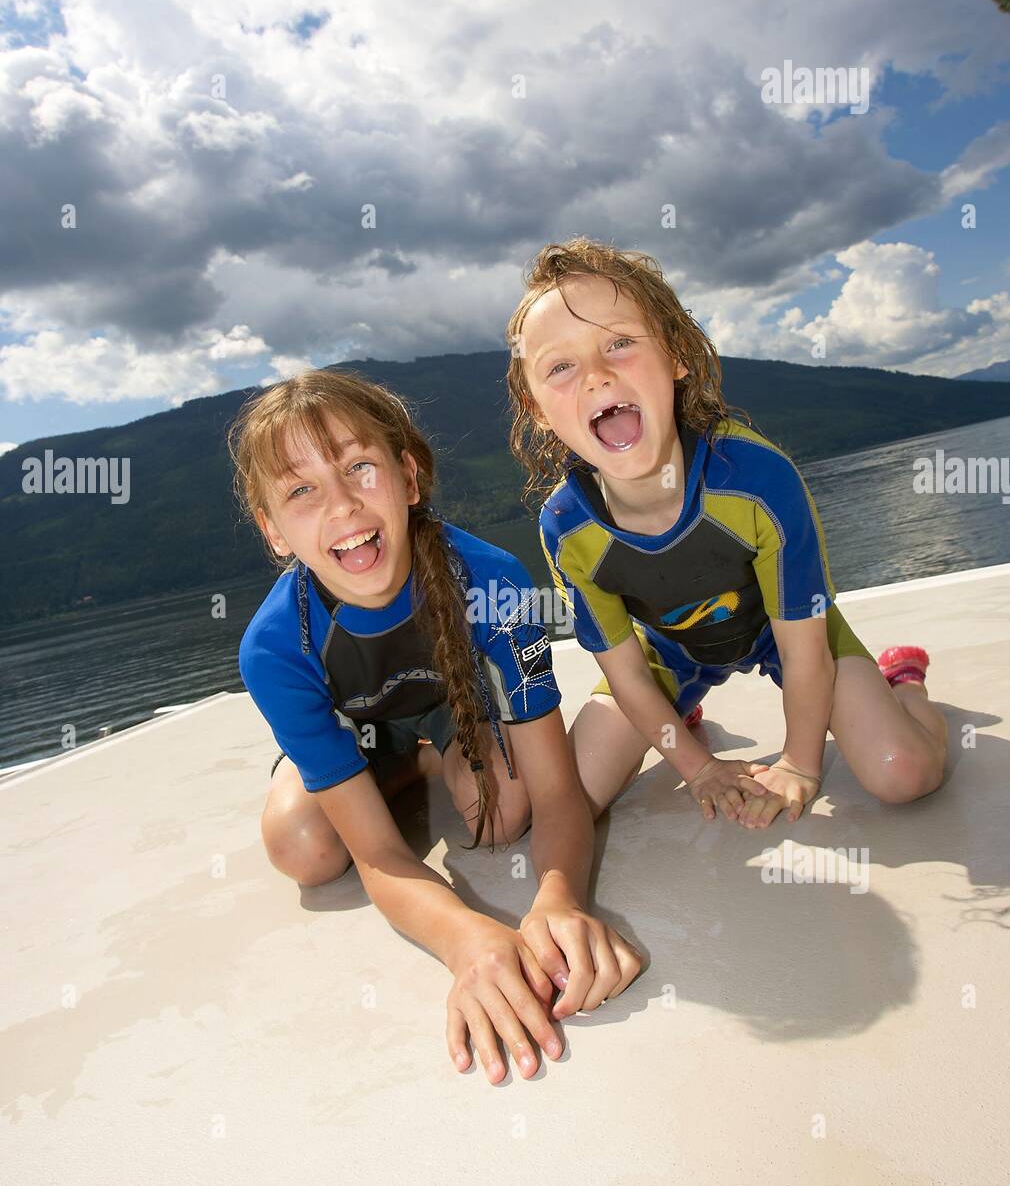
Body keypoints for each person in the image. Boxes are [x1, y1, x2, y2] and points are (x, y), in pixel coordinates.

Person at [230, 368, 643, 1084]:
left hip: (450, 709)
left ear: (409, 477)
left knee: (502, 813)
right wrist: (469, 941)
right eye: (301, 490)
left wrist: (559, 898)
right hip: (355, 739)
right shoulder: (274, 647)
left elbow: (553, 793)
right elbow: (381, 860)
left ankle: (454, 749)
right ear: (273, 531)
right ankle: (405, 768)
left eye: (360, 467)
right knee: (302, 847)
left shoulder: (490, 580)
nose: (341, 505)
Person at [503, 237, 948, 829]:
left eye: (620, 343)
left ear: (677, 357)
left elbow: (801, 646)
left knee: (903, 772)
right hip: (669, 654)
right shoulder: (566, 527)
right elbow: (628, 673)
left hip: (790, 635)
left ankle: (906, 688)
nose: (596, 376)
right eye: (560, 366)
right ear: (536, 407)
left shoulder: (757, 479)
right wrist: (698, 767)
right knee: (564, 802)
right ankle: (681, 713)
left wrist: (800, 762)